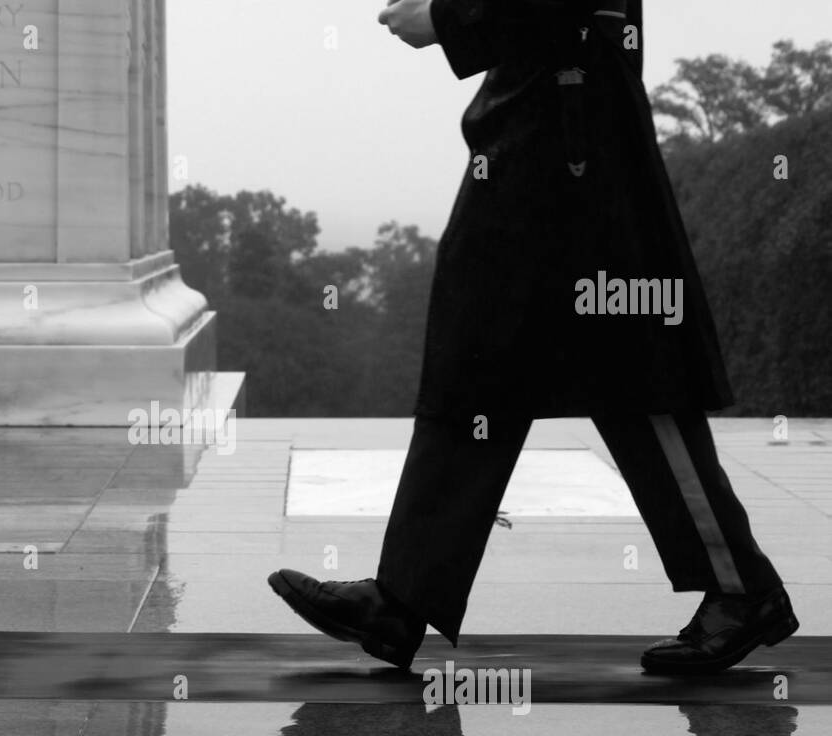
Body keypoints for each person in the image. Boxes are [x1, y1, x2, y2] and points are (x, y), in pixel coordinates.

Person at [268, 0, 799, 675]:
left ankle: (741, 587)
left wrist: (449, 18)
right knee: (475, 362)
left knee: (635, 365)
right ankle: (402, 596)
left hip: (577, 138)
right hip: (534, 125)